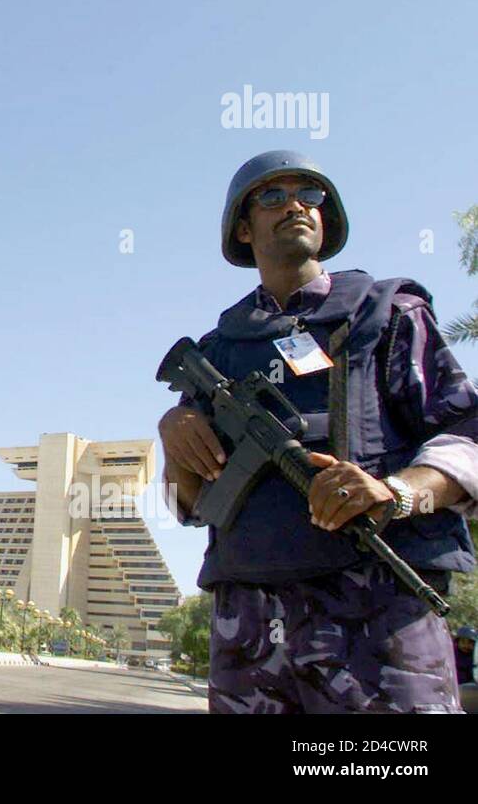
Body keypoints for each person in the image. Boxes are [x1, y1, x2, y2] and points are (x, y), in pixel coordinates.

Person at [158, 150, 478, 714]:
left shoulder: (387, 313)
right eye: (273, 197)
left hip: (380, 608)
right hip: (250, 621)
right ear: (242, 226)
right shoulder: (218, 349)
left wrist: (397, 491)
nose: (296, 206)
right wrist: (175, 431)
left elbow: (467, 432)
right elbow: (190, 502)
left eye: (311, 195)